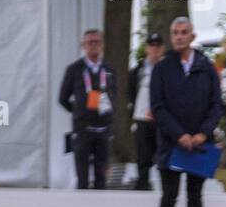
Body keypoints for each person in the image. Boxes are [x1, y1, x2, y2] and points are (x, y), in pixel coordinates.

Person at [150, 17, 224, 207]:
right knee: (168, 198)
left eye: (184, 32)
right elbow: (158, 107)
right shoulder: (162, 68)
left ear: (192, 36)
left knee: (195, 197)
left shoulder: (206, 67)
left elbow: (216, 105)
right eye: (175, 33)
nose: (179, 36)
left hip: (199, 144)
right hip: (171, 145)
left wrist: (203, 133)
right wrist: (179, 134)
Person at [58, 29, 118, 189]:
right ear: (83, 45)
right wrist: (78, 111)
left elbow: (115, 96)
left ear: (103, 45)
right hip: (83, 129)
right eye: (90, 42)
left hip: (103, 130)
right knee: (82, 175)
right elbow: (63, 98)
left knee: (101, 175)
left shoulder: (109, 69)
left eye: (97, 42)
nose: (93, 46)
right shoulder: (74, 69)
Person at [129, 32, 165, 190]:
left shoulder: (168, 69)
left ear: (162, 48)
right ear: (146, 48)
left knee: (163, 156)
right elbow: (130, 92)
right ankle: (142, 186)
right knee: (143, 157)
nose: (155, 49)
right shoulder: (138, 70)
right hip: (143, 119)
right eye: (152, 46)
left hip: (162, 120)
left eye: (158, 46)